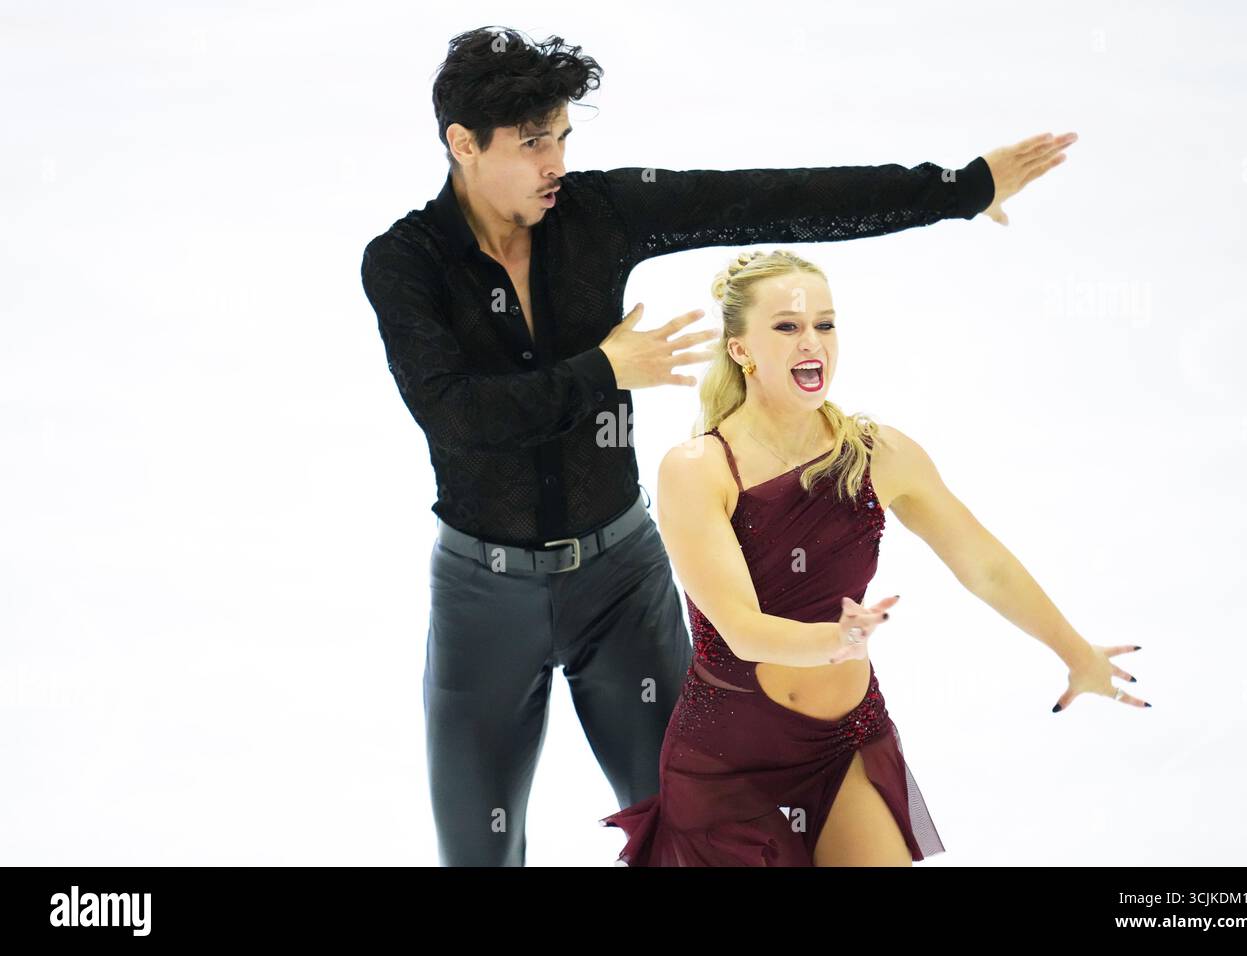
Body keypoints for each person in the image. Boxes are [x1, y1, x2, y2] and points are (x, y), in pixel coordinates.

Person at [359, 26, 1074, 866]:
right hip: (484, 595)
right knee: (477, 847)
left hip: (620, 584)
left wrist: (955, 190)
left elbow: (766, 197)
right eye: (532, 142)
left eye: (562, 136)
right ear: (462, 143)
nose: (555, 160)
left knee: (697, 830)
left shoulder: (597, 216)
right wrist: (605, 369)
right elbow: (454, 416)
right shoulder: (404, 263)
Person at [600, 249, 1149, 866]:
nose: (813, 342)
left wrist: (1075, 653)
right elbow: (744, 632)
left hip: (845, 741)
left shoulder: (877, 453)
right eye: (787, 327)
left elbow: (983, 563)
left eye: (825, 325)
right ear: (741, 350)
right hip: (731, 758)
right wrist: (835, 641)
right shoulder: (699, 469)